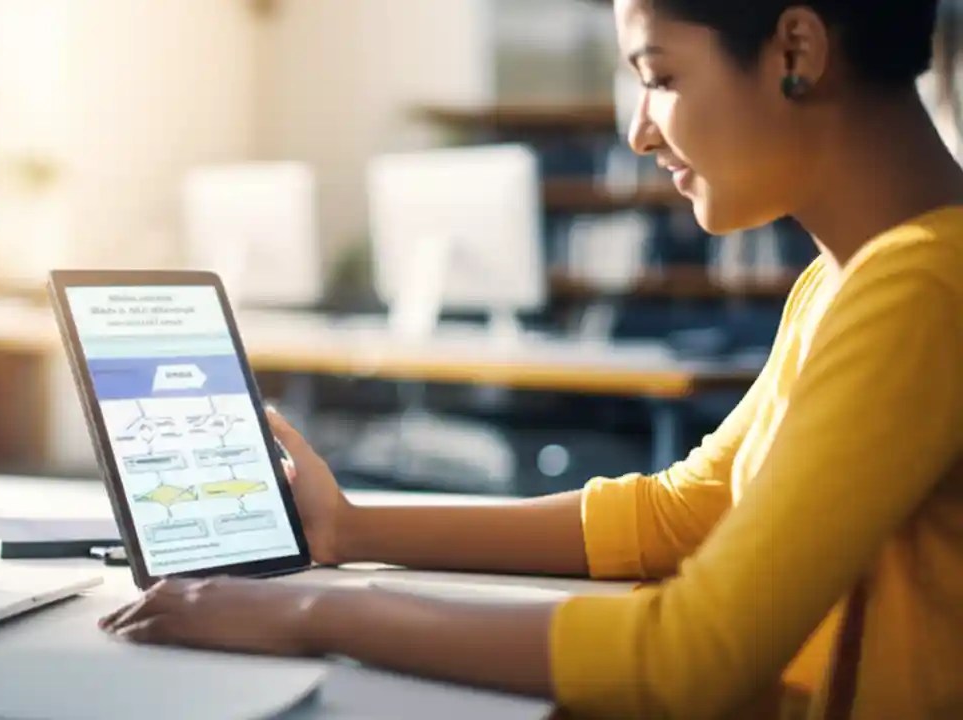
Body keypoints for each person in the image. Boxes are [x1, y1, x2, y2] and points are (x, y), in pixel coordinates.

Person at [99, 1, 963, 717]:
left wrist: (311, 610)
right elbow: (678, 515)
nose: (638, 133)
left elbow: (689, 658)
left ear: (798, 49)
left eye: (660, 77)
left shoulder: (924, 287)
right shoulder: (844, 282)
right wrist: (351, 531)